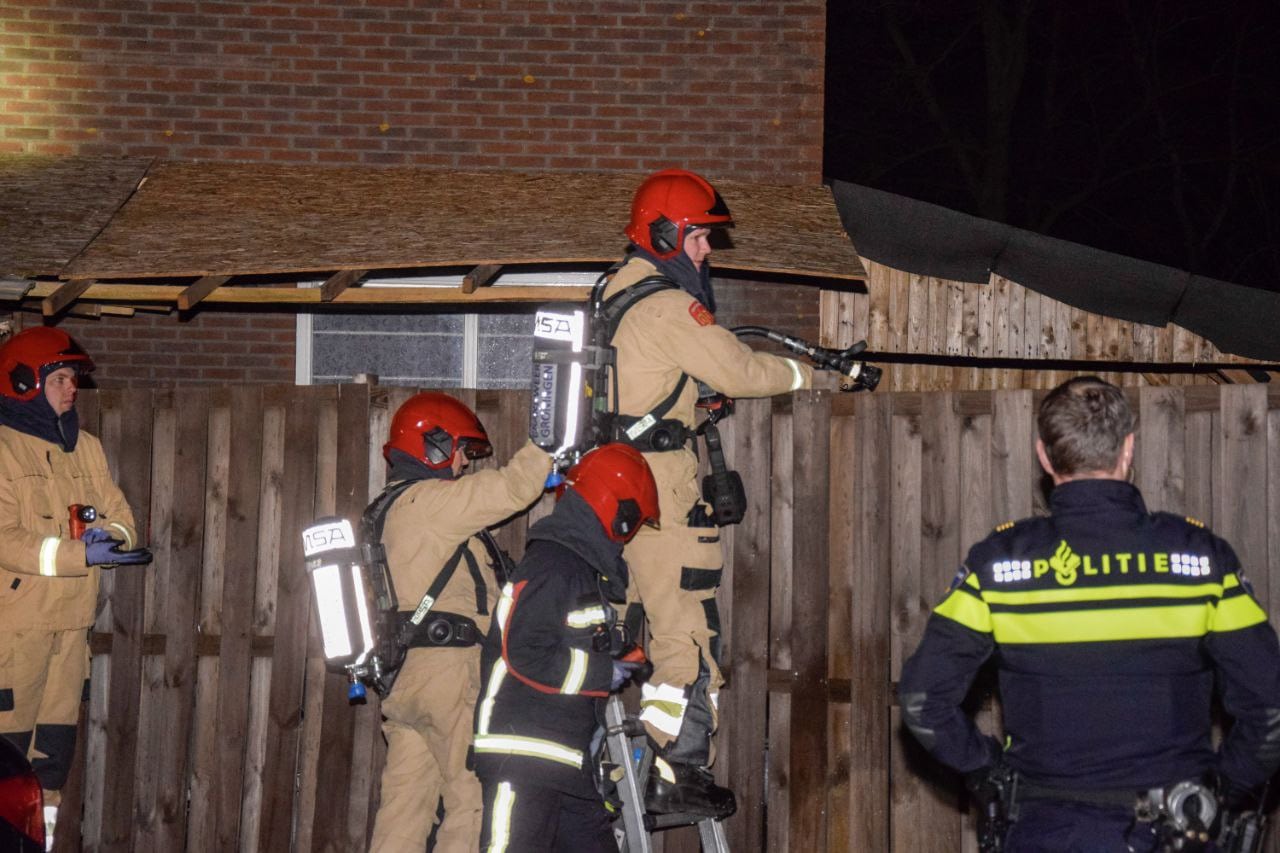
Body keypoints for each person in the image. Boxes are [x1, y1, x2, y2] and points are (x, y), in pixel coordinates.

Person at [899, 376, 1280, 851]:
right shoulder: (1202, 560)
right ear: (1128, 449)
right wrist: (1223, 785)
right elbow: (1272, 706)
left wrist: (988, 772)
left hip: (1044, 831)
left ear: (1044, 455)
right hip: (1175, 833)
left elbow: (920, 700)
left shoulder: (997, 565)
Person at [601, 168, 820, 817]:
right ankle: (675, 771)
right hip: (662, 488)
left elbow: (641, 392)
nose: (707, 252)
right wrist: (810, 373)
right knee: (688, 636)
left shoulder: (610, 296)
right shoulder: (668, 305)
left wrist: (693, 403)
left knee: (625, 628)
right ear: (666, 234)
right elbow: (743, 369)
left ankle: (611, 762)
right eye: (699, 238)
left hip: (613, 486)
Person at [366, 392, 552, 853]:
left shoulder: (387, 511)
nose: (464, 465)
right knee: (473, 802)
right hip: (450, 675)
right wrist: (548, 437)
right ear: (432, 444)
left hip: (405, 680)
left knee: (402, 814)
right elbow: (514, 488)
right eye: (462, 452)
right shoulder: (430, 502)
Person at [0, 326, 151, 830]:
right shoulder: (3, 448)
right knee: (6, 764)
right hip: (13, 638)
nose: (73, 389)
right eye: (61, 378)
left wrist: (116, 540)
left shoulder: (87, 447)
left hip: (70, 635)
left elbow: (123, 516)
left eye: (73, 379)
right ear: (22, 381)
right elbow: (5, 540)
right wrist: (77, 554)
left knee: (50, 768)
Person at [473, 443, 660, 852]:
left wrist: (615, 657)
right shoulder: (554, 565)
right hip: (521, 758)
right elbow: (526, 651)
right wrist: (602, 672)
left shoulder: (576, 569)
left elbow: (564, 645)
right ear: (618, 513)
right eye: (634, 523)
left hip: (564, 765)